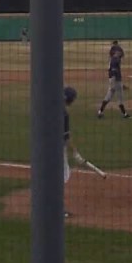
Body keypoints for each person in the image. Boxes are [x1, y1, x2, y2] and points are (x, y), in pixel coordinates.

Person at [97, 40, 130, 119]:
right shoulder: (115, 60)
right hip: (115, 80)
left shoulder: (113, 59)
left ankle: (100, 112)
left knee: (108, 97)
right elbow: (114, 71)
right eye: (118, 53)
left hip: (112, 80)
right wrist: (119, 84)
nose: (120, 54)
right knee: (120, 98)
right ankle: (124, 114)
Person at [62, 85, 78, 218]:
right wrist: (75, 153)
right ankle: (58, 208)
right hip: (58, 149)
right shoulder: (64, 114)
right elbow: (66, 137)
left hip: (45, 147)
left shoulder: (53, 108)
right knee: (63, 175)